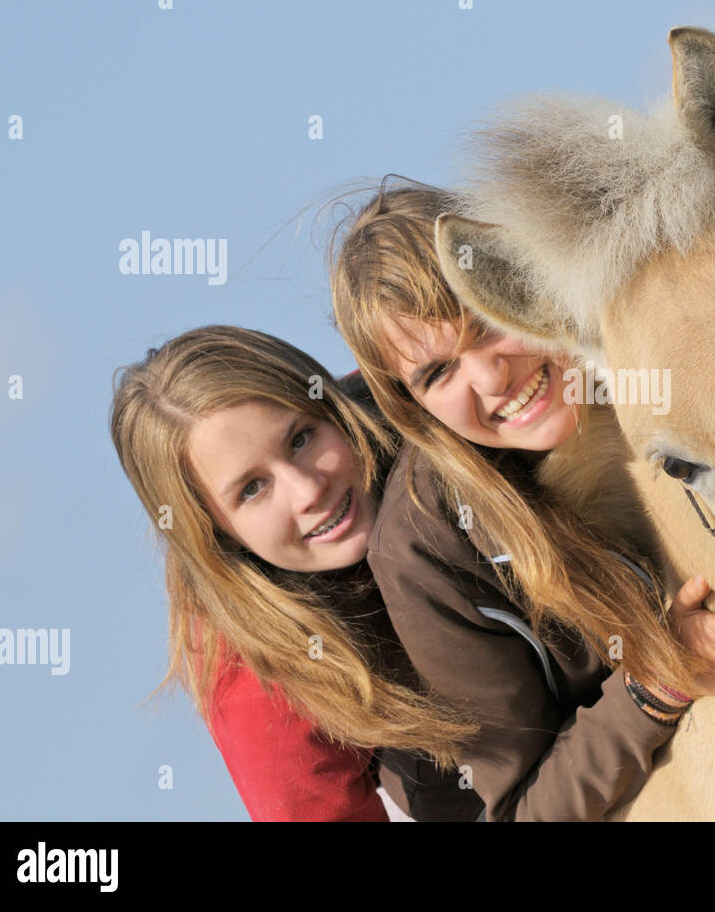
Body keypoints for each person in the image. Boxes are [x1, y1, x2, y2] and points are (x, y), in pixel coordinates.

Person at [329, 180, 715, 821]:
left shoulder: (651, 357)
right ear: (411, 407)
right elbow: (521, 811)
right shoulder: (424, 549)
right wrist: (658, 679)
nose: (491, 379)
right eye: (437, 373)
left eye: (488, 322)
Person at [109, 325, 482, 821]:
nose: (307, 489)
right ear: (215, 534)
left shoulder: (433, 393)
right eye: (251, 489)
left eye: (301, 438)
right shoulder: (254, 676)